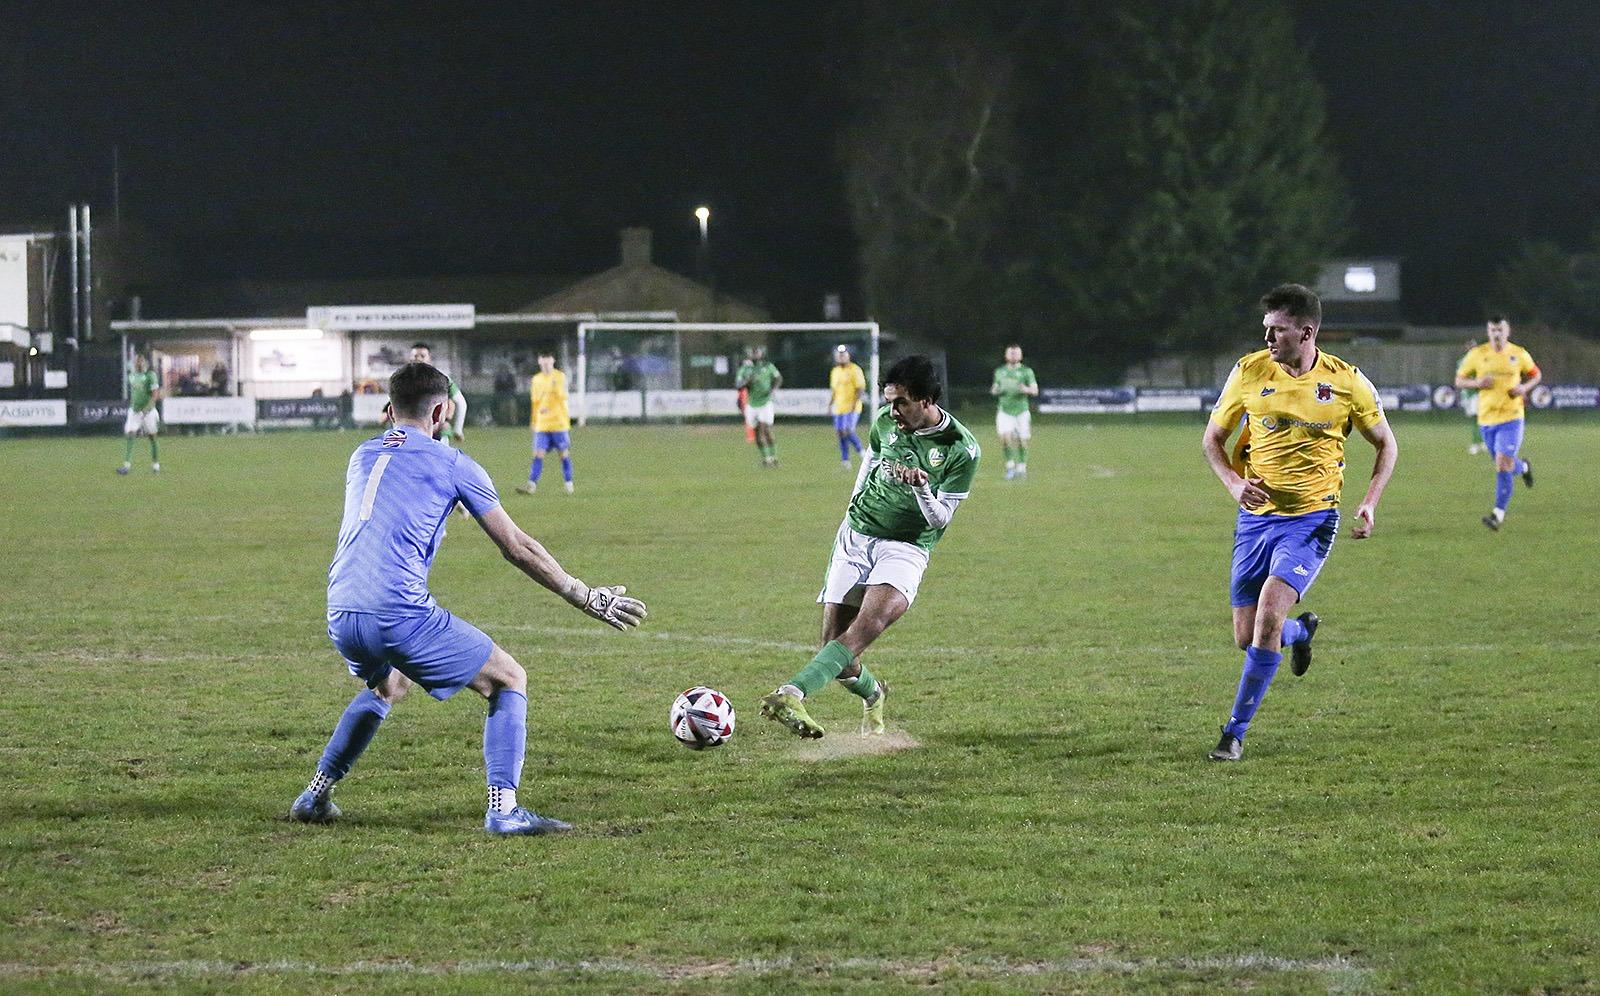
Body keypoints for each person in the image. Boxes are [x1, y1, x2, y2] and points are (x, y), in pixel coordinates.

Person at [289, 362, 647, 834]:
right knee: (508, 678)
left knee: (388, 686)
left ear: (389, 408)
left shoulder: (361, 455)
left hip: (341, 610)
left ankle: (315, 795)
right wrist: (585, 596)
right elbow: (517, 547)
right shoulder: (455, 463)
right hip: (398, 612)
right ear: (442, 411)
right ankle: (504, 809)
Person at [1201, 283, 1398, 762]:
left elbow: (1386, 445)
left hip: (1311, 520)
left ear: (1306, 331)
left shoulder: (1347, 381)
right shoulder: (1249, 372)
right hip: (1254, 521)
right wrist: (1233, 484)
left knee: (1270, 611)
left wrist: (1370, 502)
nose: (1268, 338)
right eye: (1265, 329)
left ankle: (1234, 732)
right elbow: (1212, 439)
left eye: (1278, 330)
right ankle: (1301, 633)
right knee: (1247, 636)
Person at [760, 355, 980, 739]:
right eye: (889, 400)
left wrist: (922, 489)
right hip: (856, 535)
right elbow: (871, 461)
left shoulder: (961, 448)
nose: (891, 410)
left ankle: (791, 693)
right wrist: (852, 506)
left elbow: (941, 518)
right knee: (836, 652)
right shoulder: (884, 422)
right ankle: (874, 694)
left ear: (927, 399)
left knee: (866, 627)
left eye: (901, 402)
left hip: (906, 547)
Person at [1455, 316, 1539, 531]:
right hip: (1486, 420)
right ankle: (1524, 466)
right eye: (1493, 330)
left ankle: (1497, 514)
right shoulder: (1477, 355)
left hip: (1512, 418)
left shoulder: (1519, 354)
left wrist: (1523, 389)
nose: (1496, 333)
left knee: (1502, 464)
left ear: (1507, 330)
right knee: (1507, 466)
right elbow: (1459, 380)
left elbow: (1536, 375)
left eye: (1500, 329)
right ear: (1488, 331)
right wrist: (1477, 383)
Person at [517, 351, 574, 495]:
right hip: (542, 425)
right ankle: (531, 485)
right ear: (539, 361)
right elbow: (535, 402)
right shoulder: (536, 379)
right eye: (543, 359)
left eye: (549, 359)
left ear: (553, 360)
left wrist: (555, 388)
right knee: (538, 454)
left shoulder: (560, 377)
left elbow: (563, 396)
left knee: (563, 454)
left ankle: (569, 483)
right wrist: (534, 421)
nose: (546, 362)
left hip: (559, 423)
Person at [991, 345, 1038, 479]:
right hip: (1004, 410)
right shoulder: (1000, 371)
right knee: (1005, 439)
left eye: (1016, 353)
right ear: (1006, 356)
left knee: (1022, 441)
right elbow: (995, 388)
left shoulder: (1026, 371)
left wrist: (1026, 389)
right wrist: (997, 390)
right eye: (1011, 353)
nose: (1013, 356)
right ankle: (1010, 466)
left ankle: (1022, 467)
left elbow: (1035, 390)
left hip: (1021, 411)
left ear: (1020, 356)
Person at [409, 343, 467, 445]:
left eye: (422, 356)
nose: (418, 359)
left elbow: (461, 403)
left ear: (429, 359)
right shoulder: (402, 381)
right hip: (412, 429)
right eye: (415, 356)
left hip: (435, 429)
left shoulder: (442, 379)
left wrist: (458, 429)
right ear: (410, 358)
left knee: (444, 430)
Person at [735, 346, 782, 466]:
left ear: (761, 354)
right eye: (753, 353)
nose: (755, 355)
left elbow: (778, 378)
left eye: (757, 353)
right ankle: (766, 458)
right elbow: (738, 385)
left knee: (765, 429)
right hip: (752, 404)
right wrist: (748, 381)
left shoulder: (768, 366)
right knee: (756, 434)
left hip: (765, 402)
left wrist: (773, 390)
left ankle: (774, 457)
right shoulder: (745, 369)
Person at [118, 353, 161, 475]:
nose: (139, 363)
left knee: (152, 437)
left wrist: (147, 408)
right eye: (137, 361)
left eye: (141, 361)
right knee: (130, 435)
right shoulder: (131, 376)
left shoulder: (150, 375)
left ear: (145, 363)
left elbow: (155, 394)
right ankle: (126, 466)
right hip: (135, 410)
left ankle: (156, 465)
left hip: (148, 412)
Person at [829, 344, 868, 467]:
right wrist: (830, 404)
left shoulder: (855, 370)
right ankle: (845, 460)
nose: (841, 358)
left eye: (843, 355)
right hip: (839, 407)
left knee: (848, 430)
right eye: (839, 356)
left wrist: (854, 402)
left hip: (852, 406)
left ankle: (862, 452)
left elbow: (860, 388)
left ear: (848, 356)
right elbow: (834, 390)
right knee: (840, 431)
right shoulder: (835, 371)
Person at [1459, 338, 1485, 455]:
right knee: (1477, 419)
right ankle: (1481, 442)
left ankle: (1477, 443)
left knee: (1477, 419)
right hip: (1469, 394)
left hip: (1476, 394)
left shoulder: (1478, 361)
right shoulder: (1466, 361)